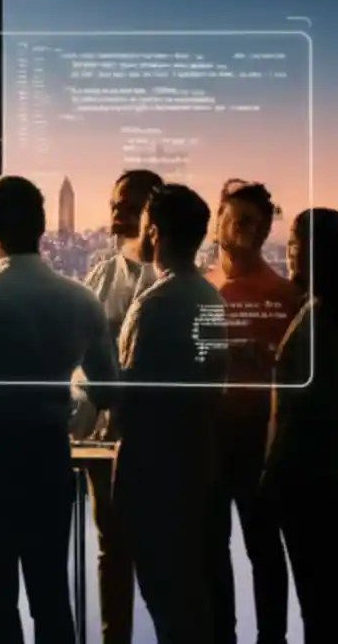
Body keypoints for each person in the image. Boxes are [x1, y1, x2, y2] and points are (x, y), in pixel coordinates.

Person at [0, 175, 119, 644]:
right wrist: (74, 403)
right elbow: (107, 385)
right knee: (51, 592)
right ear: (42, 227)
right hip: (47, 452)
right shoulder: (80, 298)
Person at [113, 183, 228, 643]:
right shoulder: (209, 297)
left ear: (154, 231)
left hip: (154, 470)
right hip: (196, 460)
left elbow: (132, 393)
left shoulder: (155, 304)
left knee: (165, 595)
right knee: (189, 595)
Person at [263, 208, 338, 644]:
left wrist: (271, 474)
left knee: (319, 598)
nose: (291, 250)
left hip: (309, 478)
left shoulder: (319, 321)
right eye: (292, 241)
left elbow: (302, 411)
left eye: (300, 242)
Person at [205, 180, 299, 644]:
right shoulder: (201, 286)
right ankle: (224, 632)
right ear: (216, 221)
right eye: (238, 221)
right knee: (213, 545)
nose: (245, 233)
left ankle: (271, 637)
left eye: (254, 226)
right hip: (210, 431)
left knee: (261, 543)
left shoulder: (283, 295)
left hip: (257, 433)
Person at [75, 169, 163, 644]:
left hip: (157, 435)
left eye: (130, 206)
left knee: (159, 549)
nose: (118, 213)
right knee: (111, 549)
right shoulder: (99, 277)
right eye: (115, 204)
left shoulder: (172, 278)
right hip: (106, 435)